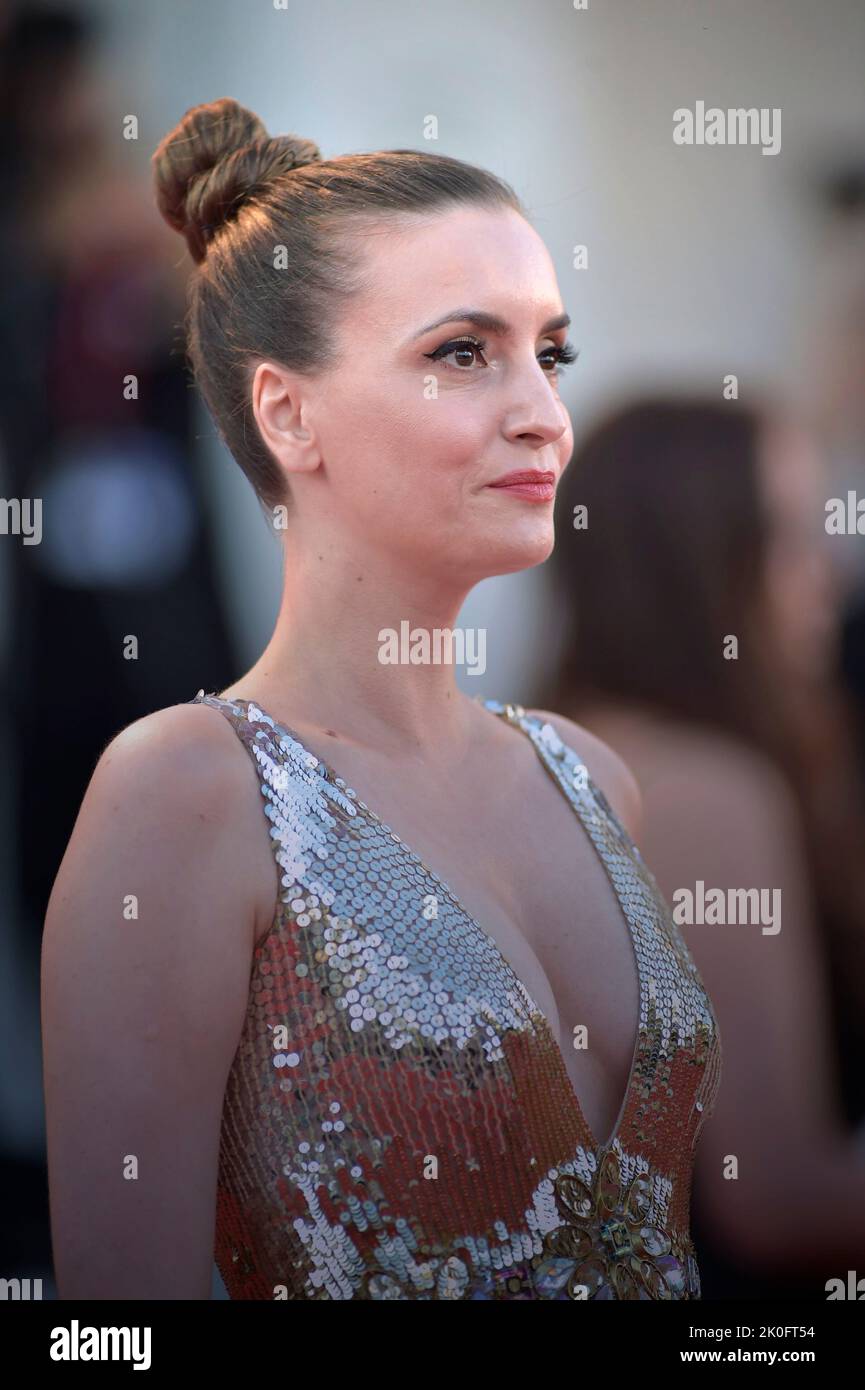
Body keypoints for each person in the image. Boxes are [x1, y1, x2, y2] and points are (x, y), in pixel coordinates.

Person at [41, 98, 721, 1301]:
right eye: (462, 352)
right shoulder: (189, 791)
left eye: (549, 352)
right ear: (286, 412)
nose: (543, 414)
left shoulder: (588, 773)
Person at [544, 396, 865, 1296]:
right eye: (791, 540)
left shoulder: (565, 744)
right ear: (695, 570)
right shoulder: (697, 793)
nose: (828, 576)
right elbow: (773, 1199)